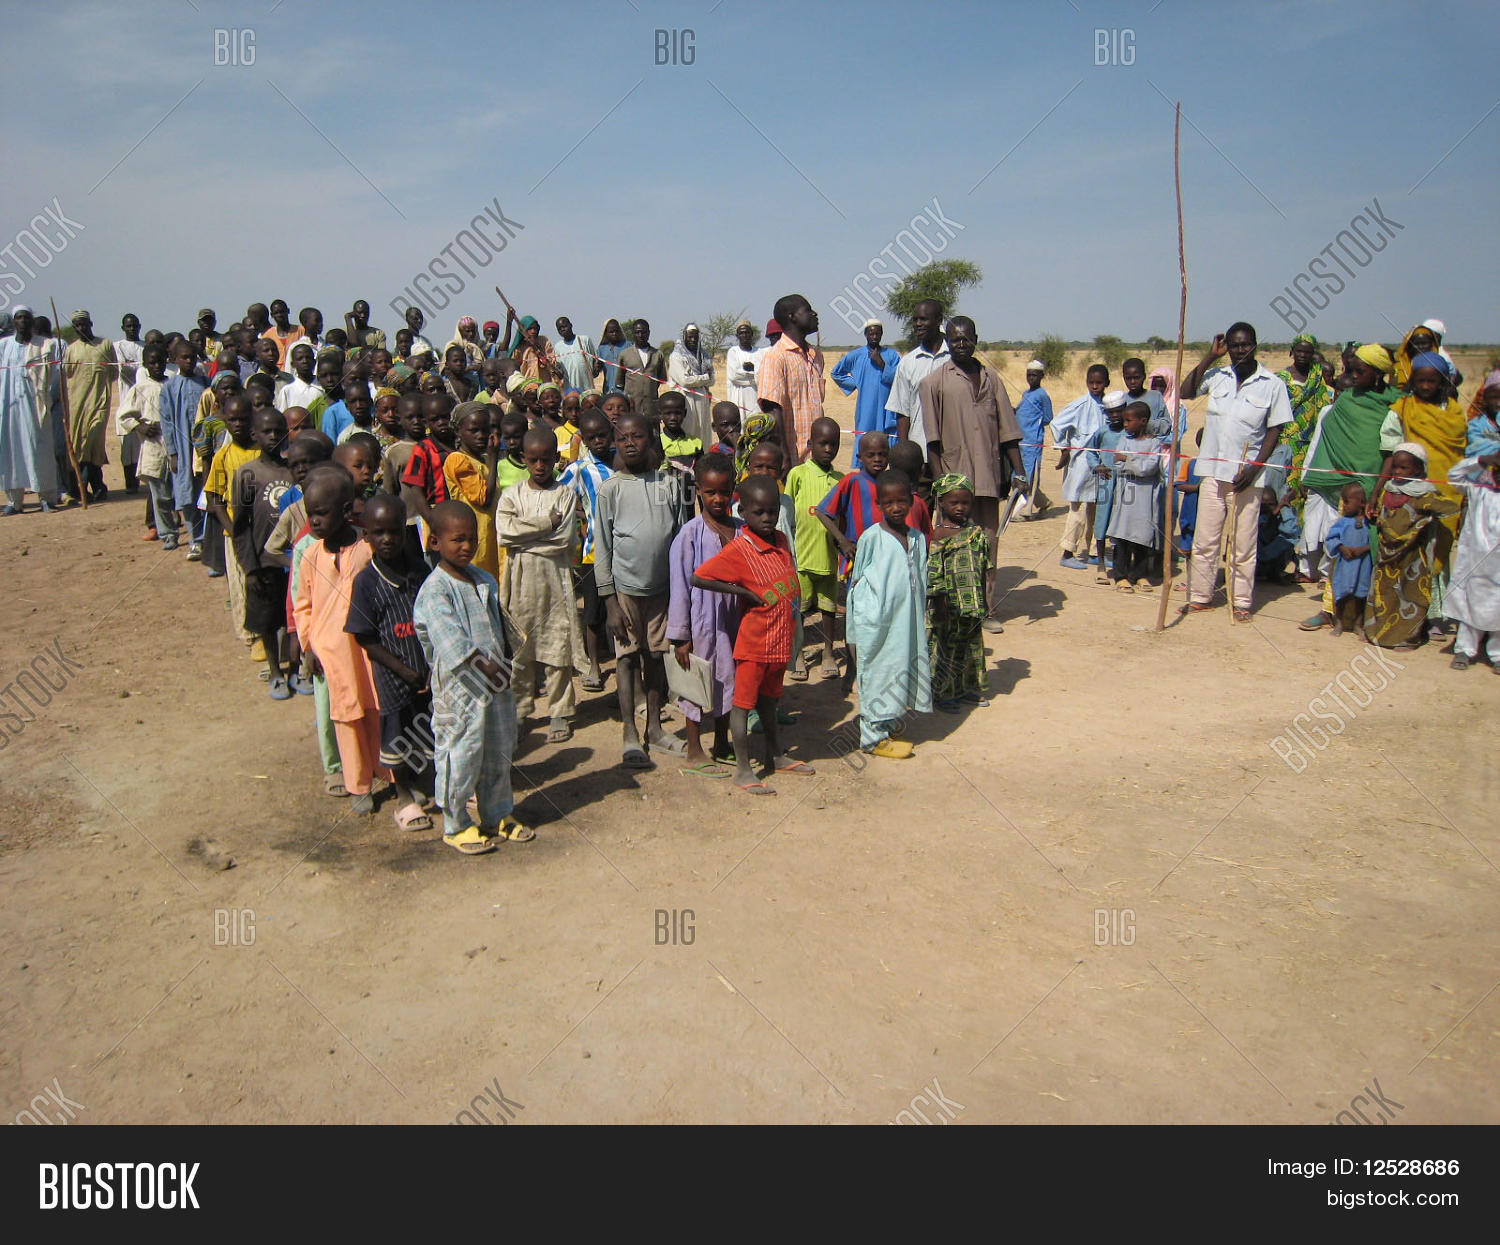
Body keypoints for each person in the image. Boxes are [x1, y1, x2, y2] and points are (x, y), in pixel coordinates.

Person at [412, 500, 534, 852]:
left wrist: (507, 662)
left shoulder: (484, 579)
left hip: (495, 686)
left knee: (498, 751)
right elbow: (451, 641)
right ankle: (456, 824)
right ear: (435, 543)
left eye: (472, 540)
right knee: (460, 754)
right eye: (457, 540)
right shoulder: (435, 590)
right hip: (460, 691)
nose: (467, 547)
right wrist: (486, 665)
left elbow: (501, 625)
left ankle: (497, 813)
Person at [690, 473, 811, 795]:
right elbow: (699, 577)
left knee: (770, 703)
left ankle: (776, 755)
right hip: (754, 646)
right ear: (742, 512)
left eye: (772, 511)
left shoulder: (782, 540)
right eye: (759, 512)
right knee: (742, 706)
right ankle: (744, 769)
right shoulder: (740, 550)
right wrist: (740, 591)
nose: (767, 518)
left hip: (780, 642)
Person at [1179, 323, 1292, 621]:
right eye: (1235, 345)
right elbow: (1185, 391)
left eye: (1246, 344)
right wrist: (1209, 357)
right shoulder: (1217, 377)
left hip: (1246, 478)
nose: (1241, 350)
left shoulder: (1271, 383)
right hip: (1213, 473)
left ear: (1255, 345)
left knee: (1243, 543)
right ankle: (1200, 596)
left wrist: (1255, 467)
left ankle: (1241, 602)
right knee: (1205, 541)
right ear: (1227, 346)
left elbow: (1275, 429)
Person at [595, 411, 689, 769]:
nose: (629, 443)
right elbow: (603, 548)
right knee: (626, 659)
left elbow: (680, 540)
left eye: (637, 436)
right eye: (622, 438)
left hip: (662, 592)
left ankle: (655, 728)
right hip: (625, 594)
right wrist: (610, 603)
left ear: (651, 438)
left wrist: (681, 592)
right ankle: (629, 734)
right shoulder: (610, 489)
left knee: (656, 658)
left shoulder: (669, 484)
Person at [292, 464, 388, 815]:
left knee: (377, 708)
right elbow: (302, 605)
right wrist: (307, 646)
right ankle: (358, 783)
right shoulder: (310, 556)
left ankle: (388, 770)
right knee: (346, 716)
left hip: (369, 649)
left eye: (321, 514)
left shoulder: (365, 550)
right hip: (331, 653)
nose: (313, 522)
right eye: (310, 514)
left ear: (346, 511)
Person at [918, 316, 1023, 630]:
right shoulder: (934, 383)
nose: (961, 344)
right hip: (954, 479)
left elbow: (1008, 432)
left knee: (987, 544)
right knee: (952, 544)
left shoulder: (992, 378)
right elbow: (932, 440)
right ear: (946, 341)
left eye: (966, 338)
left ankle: (984, 610)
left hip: (989, 476)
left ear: (976, 338)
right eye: (955, 339)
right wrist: (941, 483)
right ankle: (947, 608)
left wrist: (1019, 471)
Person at [346, 493, 435, 831]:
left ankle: (426, 782)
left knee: (428, 727)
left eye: (394, 531)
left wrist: (427, 666)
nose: (387, 540)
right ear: (366, 535)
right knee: (398, 733)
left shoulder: (418, 570)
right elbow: (364, 637)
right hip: (394, 676)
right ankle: (404, 795)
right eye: (378, 532)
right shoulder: (366, 583)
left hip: (426, 671)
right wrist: (403, 670)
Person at [1295, 344, 1398, 629]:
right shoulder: (1346, 401)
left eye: (1359, 371)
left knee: (1376, 552)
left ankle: (1370, 615)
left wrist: (1377, 490)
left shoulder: (1397, 403)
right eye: (1351, 370)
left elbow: (1394, 451)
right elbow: (1330, 440)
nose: (1352, 377)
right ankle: (1330, 611)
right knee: (1339, 550)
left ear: (1378, 374)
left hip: (1382, 492)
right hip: (1350, 493)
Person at [496, 428, 585, 743]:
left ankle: (560, 710)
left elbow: (564, 541)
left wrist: (526, 537)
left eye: (545, 459)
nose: (539, 466)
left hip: (555, 582)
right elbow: (504, 534)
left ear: (555, 459)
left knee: (557, 648)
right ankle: (520, 710)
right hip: (519, 584)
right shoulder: (512, 495)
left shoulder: (564, 494)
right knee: (519, 652)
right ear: (523, 459)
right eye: (533, 460)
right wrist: (546, 523)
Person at [847, 469, 931, 758]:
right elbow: (857, 580)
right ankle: (872, 737)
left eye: (902, 501)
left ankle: (890, 721)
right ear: (879, 505)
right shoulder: (871, 537)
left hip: (906, 620)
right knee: (878, 671)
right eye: (889, 502)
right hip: (878, 622)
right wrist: (864, 618)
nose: (896, 507)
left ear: (911, 502)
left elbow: (919, 576)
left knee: (901, 668)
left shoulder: (918, 539)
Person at [1381, 352, 1467, 634]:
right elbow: (1391, 451)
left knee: (1438, 551)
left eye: (1433, 381)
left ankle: (1437, 616)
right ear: (1413, 381)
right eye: (1421, 380)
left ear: (1442, 381)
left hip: (1448, 492)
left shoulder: (1454, 411)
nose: (1426, 386)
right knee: (1412, 553)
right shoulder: (1403, 408)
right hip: (1410, 495)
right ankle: (1409, 616)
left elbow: (1460, 452)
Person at [668, 453, 740, 775]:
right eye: (711, 492)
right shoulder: (690, 534)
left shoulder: (741, 531)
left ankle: (722, 742)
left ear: (733, 489)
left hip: (733, 622)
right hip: (700, 622)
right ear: (698, 490)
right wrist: (680, 636)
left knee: (727, 680)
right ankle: (695, 748)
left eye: (724, 492)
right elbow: (680, 587)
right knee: (695, 683)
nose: (718, 499)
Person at [1367, 443, 1462, 650]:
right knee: (1386, 592)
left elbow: (1451, 508)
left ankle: (1409, 637)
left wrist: (1424, 524)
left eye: (1404, 468)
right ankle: (1381, 633)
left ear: (1418, 470)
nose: (1397, 472)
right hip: (1387, 555)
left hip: (1412, 557)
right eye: (1395, 468)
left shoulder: (1424, 494)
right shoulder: (1389, 489)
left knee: (1410, 595)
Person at [232, 408, 295, 696]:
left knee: (292, 618)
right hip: (264, 561)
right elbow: (240, 526)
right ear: (254, 435)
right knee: (267, 621)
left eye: (278, 430)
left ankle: (295, 668)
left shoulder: (294, 470)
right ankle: (274, 670)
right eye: (267, 431)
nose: (273, 436)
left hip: (292, 560)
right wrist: (250, 567)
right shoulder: (247, 475)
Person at [559, 410, 616, 693]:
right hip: (595, 551)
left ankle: (626, 665)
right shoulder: (579, 469)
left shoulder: (624, 462)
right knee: (593, 613)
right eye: (591, 437)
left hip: (627, 553)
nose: (598, 442)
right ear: (584, 440)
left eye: (602, 435)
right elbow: (558, 497)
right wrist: (582, 514)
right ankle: (594, 665)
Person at [202, 394, 264, 653]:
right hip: (236, 532)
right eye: (232, 420)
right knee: (241, 582)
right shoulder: (223, 456)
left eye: (243, 419)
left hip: (263, 529)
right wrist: (230, 528)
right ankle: (251, 636)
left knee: (262, 580)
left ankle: (267, 630)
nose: (238, 424)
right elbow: (214, 497)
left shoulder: (262, 450)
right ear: (224, 422)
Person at [785, 417, 845, 680]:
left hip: (829, 558)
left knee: (829, 609)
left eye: (834, 444)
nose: (828, 449)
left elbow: (842, 517)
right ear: (810, 444)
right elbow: (787, 512)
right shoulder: (798, 474)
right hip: (802, 557)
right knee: (799, 609)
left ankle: (828, 653)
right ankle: (798, 652)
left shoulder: (841, 479)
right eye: (822, 443)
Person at [927, 474, 991, 712]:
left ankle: (967, 689)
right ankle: (945, 694)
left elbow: (984, 568)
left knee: (971, 648)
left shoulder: (976, 533)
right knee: (947, 649)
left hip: (972, 604)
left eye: (965, 502)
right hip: (948, 607)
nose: (960, 507)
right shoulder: (939, 536)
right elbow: (934, 573)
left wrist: (984, 599)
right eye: (954, 502)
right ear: (941, 502)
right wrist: (940, 604)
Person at [0, 307, 63, 514]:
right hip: (9, 408)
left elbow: (54, 375)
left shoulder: (45, 345)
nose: (23, 321)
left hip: (36, 408)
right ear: (14, 322)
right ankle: (14, 501)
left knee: (39, 450)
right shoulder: (4, 346)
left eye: (27, 318)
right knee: (11, 452)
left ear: (32, 321)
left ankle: (46, 497)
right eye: (19, 318)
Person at [1445, 452, 1500, 670]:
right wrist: (1480, 461)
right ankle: (1464, 650)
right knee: (1470, 605)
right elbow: (1454, 476)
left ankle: (1496, 655)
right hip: (1475, 562)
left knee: (1498, 607)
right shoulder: (1479, 491)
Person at [756, 294, 824, 466]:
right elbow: (773, 410)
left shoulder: (816, 356)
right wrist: (783, 455)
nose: (814, 314)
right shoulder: (776, 357)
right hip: (793, 458)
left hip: (817, 456)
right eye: (808, 310)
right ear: (792, 317)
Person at [1052, 363, 1108, 568]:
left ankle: (1094, 551)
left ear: (1106, 383)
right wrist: (1064, 448)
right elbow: (1057, 424)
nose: (1095, 386)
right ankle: (1068, 552)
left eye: (1099, 382)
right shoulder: (1079, 405)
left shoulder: (1108, 406)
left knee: (1097, 508)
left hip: (1101, 465)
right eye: (1091, 382)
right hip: (1081, 464)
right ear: (1086, 383)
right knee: (1078, 509)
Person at [1104, 401, 1165, 591]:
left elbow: (1149, 467)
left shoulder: (1154, 443)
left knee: (1142, 536)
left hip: (1146, 498)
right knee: (1123, 536)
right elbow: (1118, 463)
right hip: (1127, 496)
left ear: (1142, 421)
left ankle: (1139, 574)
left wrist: (1129, 459)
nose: (1125, 424)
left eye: (1129, 421)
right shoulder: (1124, 441)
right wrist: (1134, 462)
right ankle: (1120, 575)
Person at [116, 343, 172, 542]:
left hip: (176, 444)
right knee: (157, 492)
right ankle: (162, 530)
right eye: (152, 363)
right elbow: (123, 416)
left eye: (160, 361)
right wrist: (140, 427)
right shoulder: (140, 388)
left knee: (177, 490)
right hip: (153, 445)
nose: (157, 366)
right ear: (145, 365)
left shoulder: (173, 382)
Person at [160, 337, 209, 556]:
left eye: (192, 357)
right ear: (175, 359)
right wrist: (172, 452)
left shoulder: (205, 383)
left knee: (206, 491)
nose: (189, 361)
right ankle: (195, 538)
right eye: (184, 358)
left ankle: (209, 537)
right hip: (182, 449)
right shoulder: (170, 388)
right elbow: (167, 421)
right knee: (186, 492)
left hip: (205, 449)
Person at [63, 310, 118, 502]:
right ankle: (97, 487)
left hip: (99, 404)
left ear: (91, 324)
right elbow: (67, 375)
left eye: (84, 324)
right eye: (77, 325)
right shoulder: (71, 350)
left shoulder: (105, 345)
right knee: (80, 447)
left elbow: (113, 373)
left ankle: (79, 489)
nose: (81, 328)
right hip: (77, 406)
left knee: (92, 441)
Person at [442, 402, 501, 579]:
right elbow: (483, 498)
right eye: (474, 430)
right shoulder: (457, 460)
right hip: (476, 537)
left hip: (491, 535)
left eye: (485, 430)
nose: (481, 436)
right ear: (459, 431)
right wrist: (493, 456)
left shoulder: (481, 460)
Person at [832, 319, 901, 471]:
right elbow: (836, 372)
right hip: (866, 409)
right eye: (871, 333)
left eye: (877, 333)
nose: (874, 337)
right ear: (865, 334)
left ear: (882, 334)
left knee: (888, 444)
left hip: (887, 408)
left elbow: (900, 378)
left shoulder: (891, 355)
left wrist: (882, 364)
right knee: (865, 443)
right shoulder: (856, 355)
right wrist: (855, 383)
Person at [884, 298, 949, 453]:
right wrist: (904, 451)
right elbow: (902, 413)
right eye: (915, 320)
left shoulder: (954, 358)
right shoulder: (907, 363)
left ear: (939, 320)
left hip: (953, 452)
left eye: (923, 319)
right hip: (920, 451)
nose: (918, 324)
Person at [1275, 334, 1332, 485]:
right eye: (1299, 351)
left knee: (1303, 485)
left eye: (1307, 352)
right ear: (1292, 351)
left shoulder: (1317, 377)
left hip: (1309, 441)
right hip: (1283, 439)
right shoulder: (1280, 379)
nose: (1302, 355)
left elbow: (1323, 406)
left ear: (1313, 354)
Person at [1088, 391, 1129, 584]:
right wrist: (1096, 466)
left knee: (1121, 522)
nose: (1114, 416)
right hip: (1106, 481)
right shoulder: (1102, 432)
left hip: (1126, 483)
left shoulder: (1130, 432)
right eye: (1110, 412)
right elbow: (1090, 451)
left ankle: (1120, 565)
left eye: (1117, 411)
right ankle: (1101, 564)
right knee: (1102, 520)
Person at [400, 393, 455, 531]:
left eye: (445, 417)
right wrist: (431, 519)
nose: (441, 422)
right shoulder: (423, 449)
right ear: (426, 423)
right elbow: (415, 489)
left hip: (461, 509)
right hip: (434, 512)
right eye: (435, 419)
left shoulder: (459, 443)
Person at [1324, 483, 1372, 638]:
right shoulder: (1343, 522)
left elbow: (1375, 543)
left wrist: (1363, 549)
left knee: (1360, 596)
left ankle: (1358, 625)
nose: (1343, 506)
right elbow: (1331, 538)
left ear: (1362, 503)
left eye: (1347, 501)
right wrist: (1342, 547)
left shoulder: (1369, 523)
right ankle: (1339, 623)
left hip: (1363, 565)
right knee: (1341, 596)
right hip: (1346, 565)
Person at [1013, 360, 1054, 518]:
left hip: (1033, 441)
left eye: (1035, 375)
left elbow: (1048, 417)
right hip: (1021, 440)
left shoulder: (1042, 395)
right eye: (1029, 375)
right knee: (1020, 475)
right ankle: (1043, 502)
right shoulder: (1026, 393)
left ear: (1041, 376)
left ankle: (1025, 512)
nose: (1031, 378)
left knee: (1030, 477)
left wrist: (1033, 425)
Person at [667, 323, 715, 444]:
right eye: (690, 337)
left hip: (702, 399)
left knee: (703, 433)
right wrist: (704, 378)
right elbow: (684, 381)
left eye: (695, 337)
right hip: (686, 398)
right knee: (689, 430)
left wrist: (699, 379)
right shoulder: (676, 356)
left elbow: (713, 380)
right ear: (684, 337)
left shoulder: (704, 356)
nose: (693, 340)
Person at [114, 313, 145, 494]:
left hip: (143, 403)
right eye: (128, 326)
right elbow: (123, 371)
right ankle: (130, 483)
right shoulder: (117, 347)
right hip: (126, 401)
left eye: (135, 326)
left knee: (143, 446)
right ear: (123, 328)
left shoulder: (145, 347)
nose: (132, 329)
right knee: (127, 446)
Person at [620, 319, 667, 418]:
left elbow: (660, 379)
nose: (640, 335)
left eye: (644, 332)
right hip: (632, 406)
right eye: (637, 332)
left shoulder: (658, 355)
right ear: (633, 333)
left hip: (651, 406)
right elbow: (620, 381)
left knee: (652, 432)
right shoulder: (625, 355)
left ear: (649, 333)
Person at [725, 320, 761, 419]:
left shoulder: (759, 353)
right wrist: (755, 374)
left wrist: (753, 370)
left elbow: (763, 376)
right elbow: (734, 376)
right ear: (737, 335)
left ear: (752, 334)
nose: (744, 335)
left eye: (747, 332)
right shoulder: (733, 352)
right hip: (738, 397)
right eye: (741, 333)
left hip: (755, 397)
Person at [552, 316, 597, 394]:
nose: (563, 329)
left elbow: (594, 360)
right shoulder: (558, 347)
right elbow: (559, 369)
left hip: (588, 388)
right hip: (571, 390)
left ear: (571, 325)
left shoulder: (584, 340)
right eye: (560, 328)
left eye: (565, 326)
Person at [510, 314, 557, 385]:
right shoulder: (519, 348)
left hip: (545, 384)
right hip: (527, 386)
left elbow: (553, 363)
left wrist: (538, 347)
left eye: (535, 328)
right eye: (530, 329)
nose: (533, 331)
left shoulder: (544, 341)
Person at [277, 342, 323, 413]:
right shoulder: (287, 391)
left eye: (308, 358)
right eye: (300, 358)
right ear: (293, 364)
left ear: (314, 362)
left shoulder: (323, 386)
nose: (305, 361)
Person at [658, 390, 702, 463]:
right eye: (668, 413)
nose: (673, 418)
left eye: (677, 413)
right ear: (660, 414)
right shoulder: (657, 444)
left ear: (684, 413)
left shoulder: (696, 443)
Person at [261, 298, 305, 368]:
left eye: (282, 312)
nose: (279, 315)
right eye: (276, 313)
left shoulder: (301, 331)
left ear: (288, 311)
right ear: (272, 315)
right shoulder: (267, 336)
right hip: (277, 375)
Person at [596, 318, 628, 393]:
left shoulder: (628, 346)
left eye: (616, 331)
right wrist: (597, 367)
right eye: (611, 332)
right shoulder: (601, 349)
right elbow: (595, 373)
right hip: (608, 391)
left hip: (625, 392)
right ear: (606, 333)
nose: (614, 334)